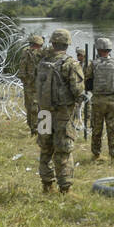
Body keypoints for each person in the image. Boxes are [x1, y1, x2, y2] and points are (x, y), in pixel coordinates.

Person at [33, 28, 85, 194]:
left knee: (45, 148)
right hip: (63, 113)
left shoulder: (42, 62)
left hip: (43, 113)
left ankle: (47, 185)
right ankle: (65, 188)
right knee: (63, 150)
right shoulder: (70, 63)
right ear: (67, 44)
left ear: (52, 43)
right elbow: (78, 90)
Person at [84, 37, 114, 161]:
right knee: (112, 129)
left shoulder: (93, 64)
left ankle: (96, 154)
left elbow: (87, 79)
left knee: (97, 129)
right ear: (109, 49)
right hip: (112, 101)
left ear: (98, 49)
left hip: (97, 100)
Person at [17, 35, 45, 136]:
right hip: (31, 83)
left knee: (32, 106)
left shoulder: (33, 53)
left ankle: (35, 128)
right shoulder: (28, 53)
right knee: (31, 106)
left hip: (33, 83)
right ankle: (34, 128)